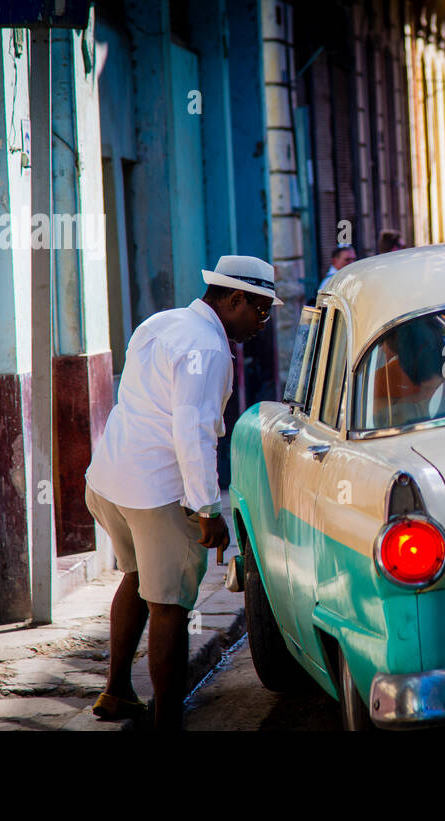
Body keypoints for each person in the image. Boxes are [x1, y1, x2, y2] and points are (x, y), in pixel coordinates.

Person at [85, 254, 279, 730]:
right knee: (169, 605)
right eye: (261, 311)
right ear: (235, 300)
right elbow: (191, 432)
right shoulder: (209, 348)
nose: (263, 323)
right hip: (159, 493)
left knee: (135, 578)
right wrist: (209, 509)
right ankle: (167, 721)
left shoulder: (161, 323)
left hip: (111, 481)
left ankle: (117, 692)